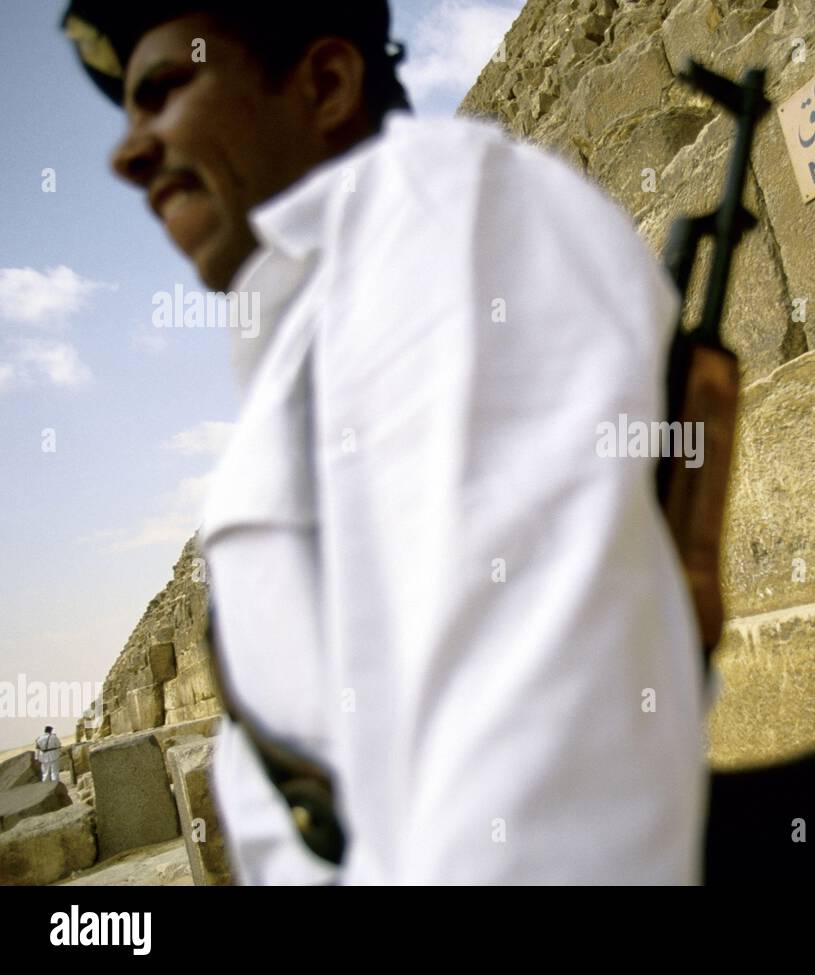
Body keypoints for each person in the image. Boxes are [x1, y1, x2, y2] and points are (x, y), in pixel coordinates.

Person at [61, 1, 705, 883]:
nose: (129, 154)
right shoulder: (324, 323)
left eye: (166, 91)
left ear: (324, 85)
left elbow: (533, 799)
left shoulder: (461, 242)